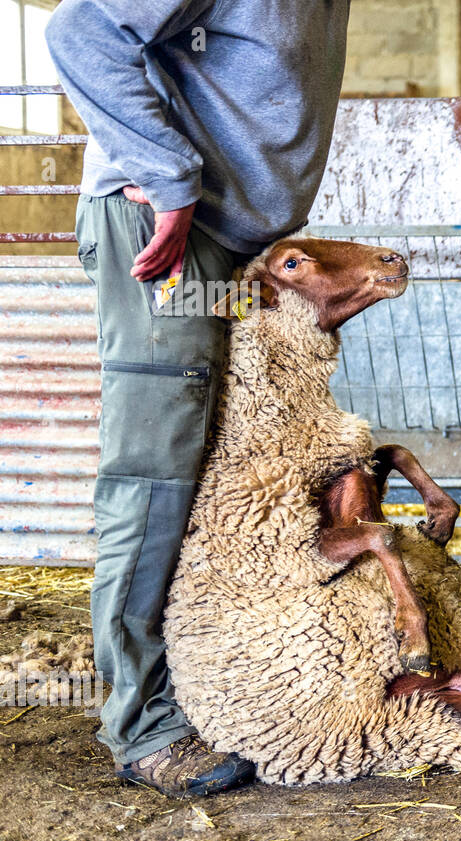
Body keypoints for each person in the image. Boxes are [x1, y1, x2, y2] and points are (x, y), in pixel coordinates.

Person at [46, 0, 352, 796]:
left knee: (220, 472)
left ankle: (201, 682)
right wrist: (169, 174)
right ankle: (143, 722)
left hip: (232, 243)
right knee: (159, 472)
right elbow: (79, 31)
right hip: (167, 229)